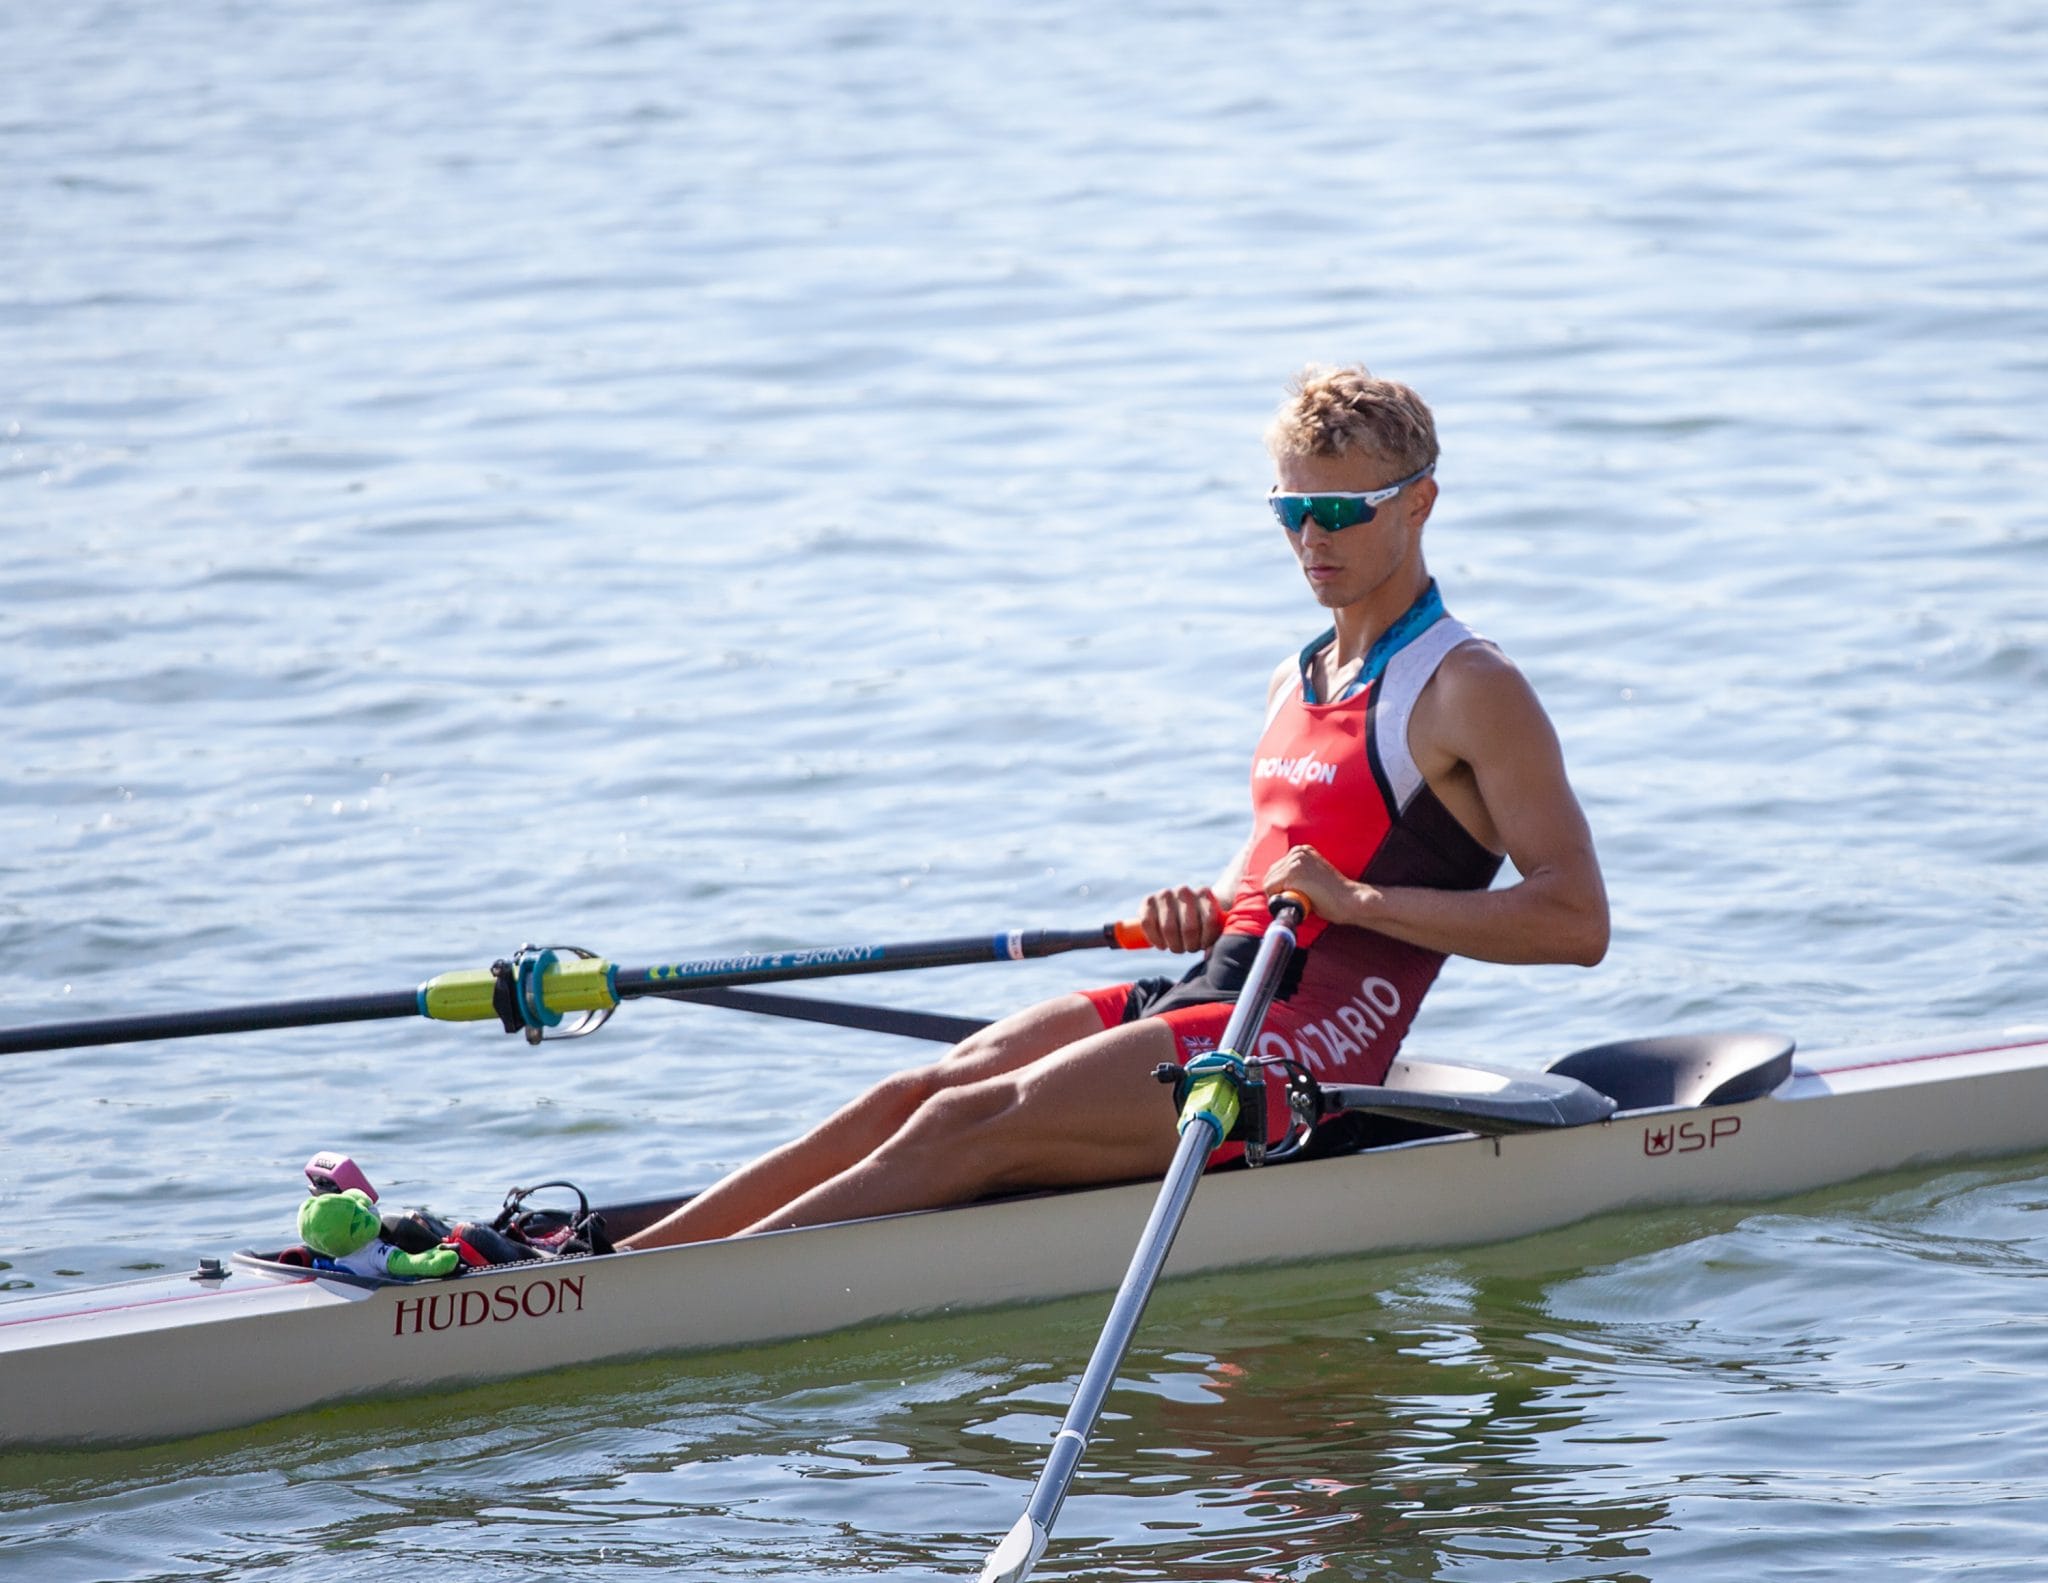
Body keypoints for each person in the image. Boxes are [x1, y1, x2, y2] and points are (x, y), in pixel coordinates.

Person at [623, 365, 1608, 1250]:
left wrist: (1357, 901)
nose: (1312, 539)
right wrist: (1198, 903)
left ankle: (674, 1294)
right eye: (1289, 512)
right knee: (920, 1089)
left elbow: (1573, 920)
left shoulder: (1469, 686)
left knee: (959, 1128)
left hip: (1308, 1036)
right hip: (1214, 984)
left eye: (1341, 511)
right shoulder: (1292, 676)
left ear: (1418, 502)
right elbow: (1266, 873)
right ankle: (616, 1267)